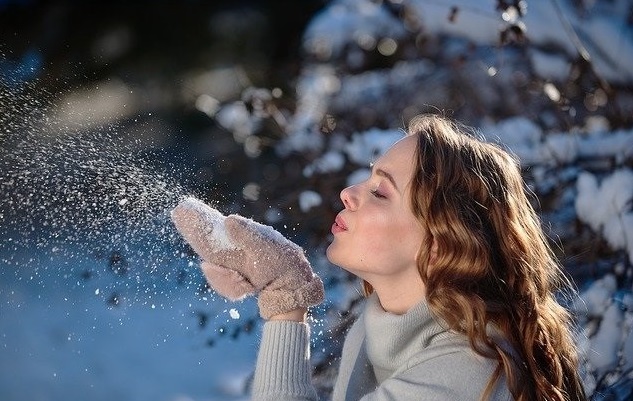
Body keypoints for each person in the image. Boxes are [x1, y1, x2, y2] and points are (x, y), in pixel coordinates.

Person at [171, 113, 588, 401]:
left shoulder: (466, 374)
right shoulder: (380, 328)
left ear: (440, 242)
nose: (348, 194)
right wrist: (287, 297)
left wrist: (285, 297)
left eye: (380, 192)